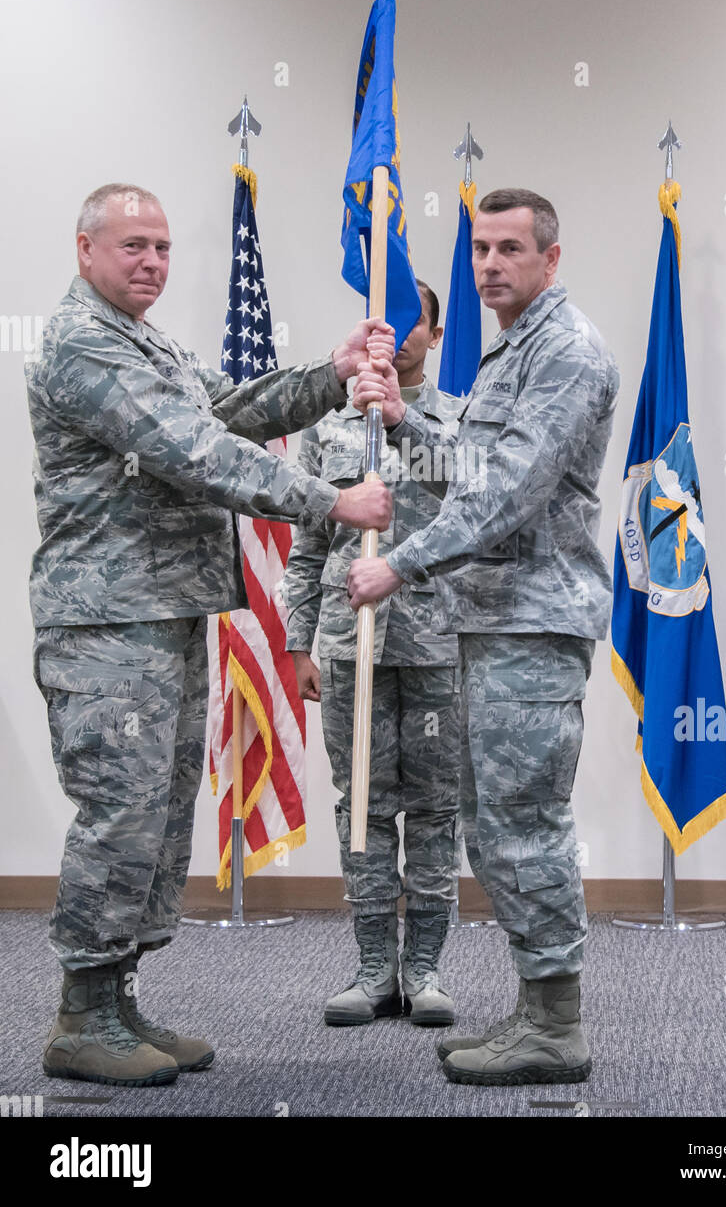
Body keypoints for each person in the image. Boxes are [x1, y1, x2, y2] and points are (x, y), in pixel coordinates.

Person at [28, 182, 393, 1088]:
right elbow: (197, 451)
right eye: (131, 247)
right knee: (119, 811)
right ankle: (81, 1012)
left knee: (157, 813)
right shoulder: (81, 343)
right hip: (106, 623)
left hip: (162, 613)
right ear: (84, 251)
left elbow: (226, 409)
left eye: (160, 245)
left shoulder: (144, 341)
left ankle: (118, 997)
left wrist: (330, 373)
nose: (150, 261)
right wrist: (328, 499)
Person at [348, 188, 620, 1086]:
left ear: (550, 256)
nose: (490, 265)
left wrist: (401, 565)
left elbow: (509, 490)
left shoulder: (568, 354)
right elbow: (467, 473)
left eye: (510, 248)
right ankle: (537, 1010)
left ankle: (555, 1027)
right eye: (479, 249)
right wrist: (401, 422)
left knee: (524, 828)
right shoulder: (511, 354)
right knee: (493, 828)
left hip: (533, 622)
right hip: (495, 620)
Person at [284, 282, 464, 1028]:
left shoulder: (460, 419)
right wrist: (297, 642)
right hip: (346, 641)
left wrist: (400, 421)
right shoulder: (328, 426)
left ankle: (423, 972)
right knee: (359, 805)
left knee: (432, 810)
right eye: (382, 323)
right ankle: (370, 969)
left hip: (435, 646)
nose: (395, 336)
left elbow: (473, 497)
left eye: (410, 322)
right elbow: (304, 546)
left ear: (434, 329)